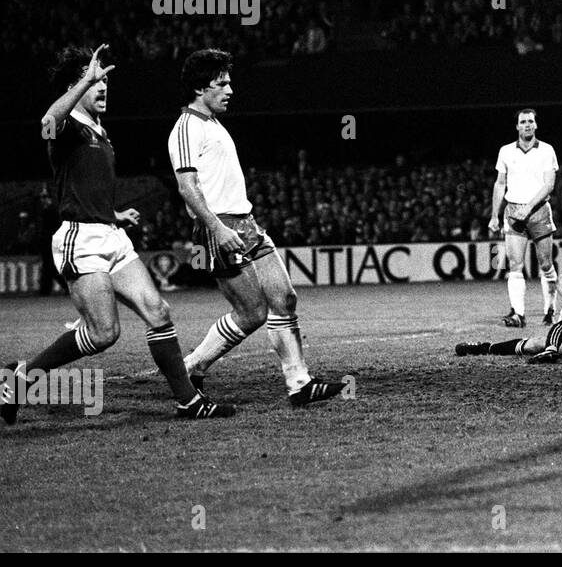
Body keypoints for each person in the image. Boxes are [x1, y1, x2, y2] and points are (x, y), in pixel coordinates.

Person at [2, 45, 233, 424]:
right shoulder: (65, 126)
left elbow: (82, 187)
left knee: (158, 311)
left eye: (106, 79)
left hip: (110, 235)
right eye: (95, 80)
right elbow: (46, 120)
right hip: (81, 240)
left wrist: (114, 214)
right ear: (76, 86)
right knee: (104, 333)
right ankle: (21, 379)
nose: (103, 86)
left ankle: (189, 402)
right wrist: (83, 84)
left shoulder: (99, 131)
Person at [168, 49, 344, 407]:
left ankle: (299, 383)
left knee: (284, 298)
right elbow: (187, 187)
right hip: (219, 228)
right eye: (222, 83)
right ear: (201, 88)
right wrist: (217, 229)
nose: (230, 89)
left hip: (245, 223)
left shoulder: (213, 124)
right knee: (252, 313)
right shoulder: (186, 128)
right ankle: (191, 367)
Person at [490, 109, 560, 327]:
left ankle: (549, 310)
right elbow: (500, 184)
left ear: (536, 125)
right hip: (513, 211)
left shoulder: (547, 150)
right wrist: (494, 214)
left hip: (538, 210)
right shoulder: (506, 151)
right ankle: (517, 314)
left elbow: (549, 185)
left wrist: (528, 208)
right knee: (515, 264)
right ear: (517, 126)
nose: (527, 125)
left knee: (546, 263)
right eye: (523, 122)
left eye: (531, 121)